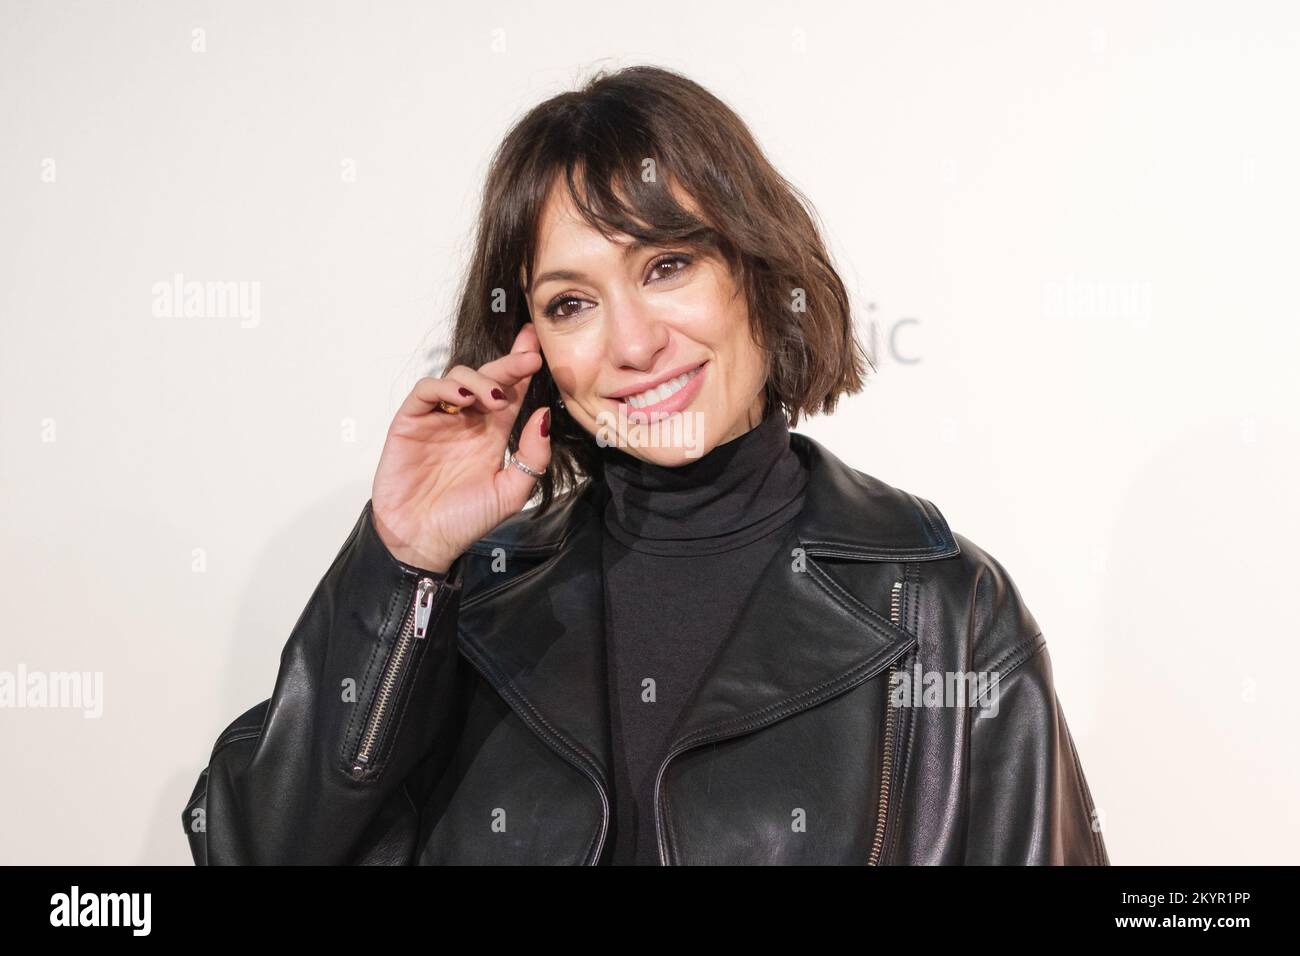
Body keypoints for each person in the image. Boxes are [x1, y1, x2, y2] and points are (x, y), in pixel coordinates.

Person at [182, 65, 1108, 865]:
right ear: (530, 345)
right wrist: (402, 563)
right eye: (573, 302)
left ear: (755, 267)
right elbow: (260, 850)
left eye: (667, 267)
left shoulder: (946, 610)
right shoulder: (469, 599)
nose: (633, 343)